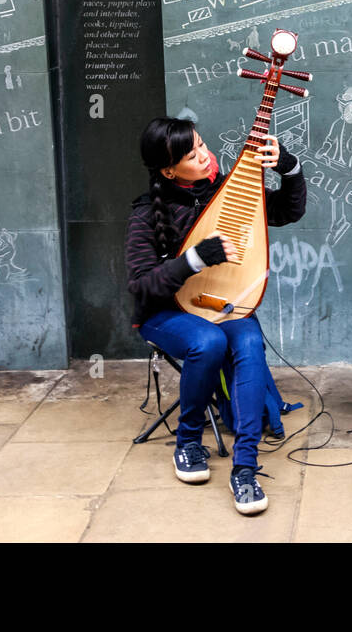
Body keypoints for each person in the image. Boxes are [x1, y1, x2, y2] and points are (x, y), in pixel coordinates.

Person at [125, 116, 306, 515]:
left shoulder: (227, 192)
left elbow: (286, 212)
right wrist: (192, 259)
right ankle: (188, 442)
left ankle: (245, 467)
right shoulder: (147, 214)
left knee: (247, 339)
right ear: (169, 170)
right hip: (165, 313)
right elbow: (140, 285)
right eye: (192, 155)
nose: (206, 157)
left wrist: (288, 168)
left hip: (223, 301)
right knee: (207, 342)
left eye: (203, 146)